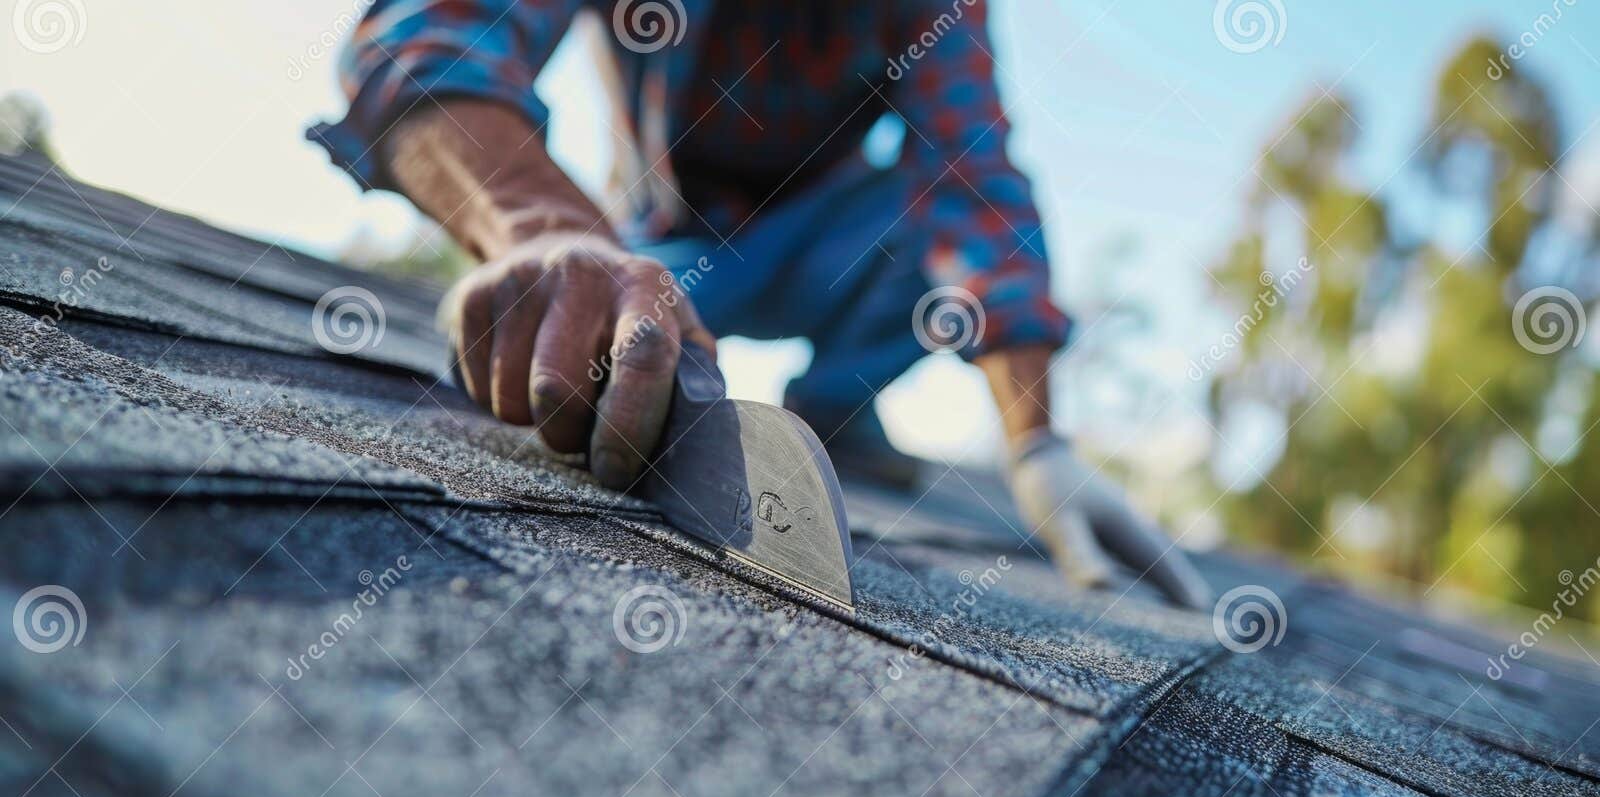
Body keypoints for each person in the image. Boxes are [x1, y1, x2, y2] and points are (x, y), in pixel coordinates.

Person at [309, 0, 1211, 608]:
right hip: (669, 254)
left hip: (838, 250)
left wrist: (1039, 440)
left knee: (936, 221)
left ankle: (835, 412)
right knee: (609, 358)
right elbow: (425, 45)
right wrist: (545, 233)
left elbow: (977, 188)